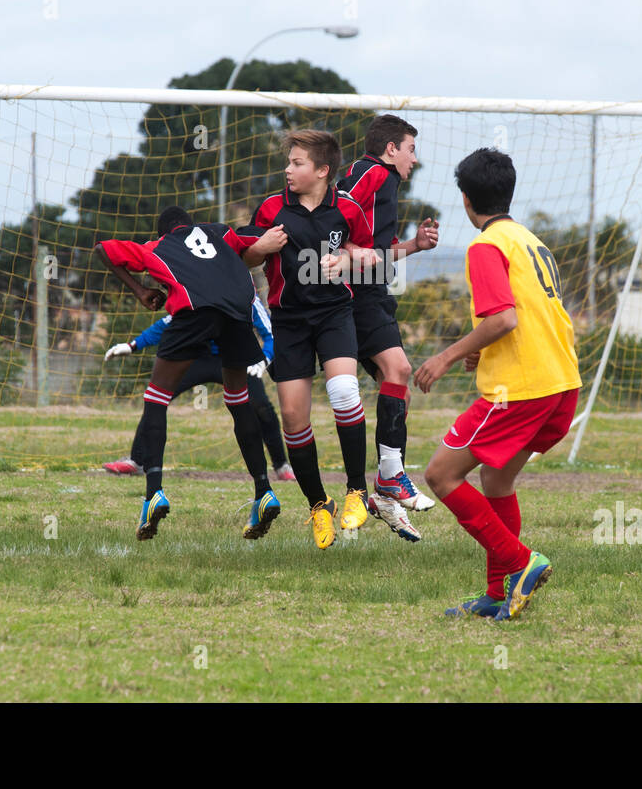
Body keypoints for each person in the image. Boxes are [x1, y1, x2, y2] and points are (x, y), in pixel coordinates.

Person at [413, 148, 582, 621]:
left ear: (465, 200)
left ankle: (522, 562)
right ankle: (497, 594)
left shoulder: (485, 246)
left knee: (441, 475)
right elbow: (526, 316)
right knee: (497, 478)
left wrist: (445, 356)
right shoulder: (529, 240)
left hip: (521, 389)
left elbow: (504, 317)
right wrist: (480, 349)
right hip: (561, 383)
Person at [238, 128, 420, 549]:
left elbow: (373, 253)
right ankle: (319, 505)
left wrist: (351, 256)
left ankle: (357, 490)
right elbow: (247, 255)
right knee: (293, 418)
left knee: (344, 390)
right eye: (289, 162)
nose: (288, 169)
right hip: (289, 321)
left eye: (297, 163)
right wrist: (259, 247)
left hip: (335, 314)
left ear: (322, 171)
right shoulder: (270, 208)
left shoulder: (347, 207)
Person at [95, 206, 282, 541]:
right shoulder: (221, 232)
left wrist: (140, 290)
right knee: (239, 402)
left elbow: (102, 249)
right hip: (237, 314)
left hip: (194, 313)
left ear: (164, 232)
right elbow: (255, 238)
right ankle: (263, 491)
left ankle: (153, 493)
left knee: (156, 397)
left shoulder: (159, 247)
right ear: (192, 225)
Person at [337, 113, 439, 511]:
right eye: (411, 149)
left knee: (397, 387)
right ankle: (389, 478)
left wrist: (414, 246)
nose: (414, 158)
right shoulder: (372, 171)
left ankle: (387, 480)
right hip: (357, 290)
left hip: (371, 288)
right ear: (391, 148)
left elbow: (379, 251)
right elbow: (338, 207)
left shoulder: (387, 183)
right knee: (398, 372)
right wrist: (342, 249)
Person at [101, 292, 293, 482]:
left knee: (261, 405)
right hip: (196, 357)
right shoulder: (194, 290)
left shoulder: (245, 293)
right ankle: (137, 461)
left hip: (234, 358)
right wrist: (133, 345)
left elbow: (271, 333)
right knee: (156, 398)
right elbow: (168, 323)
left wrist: (264, 358)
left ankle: (281, 465)